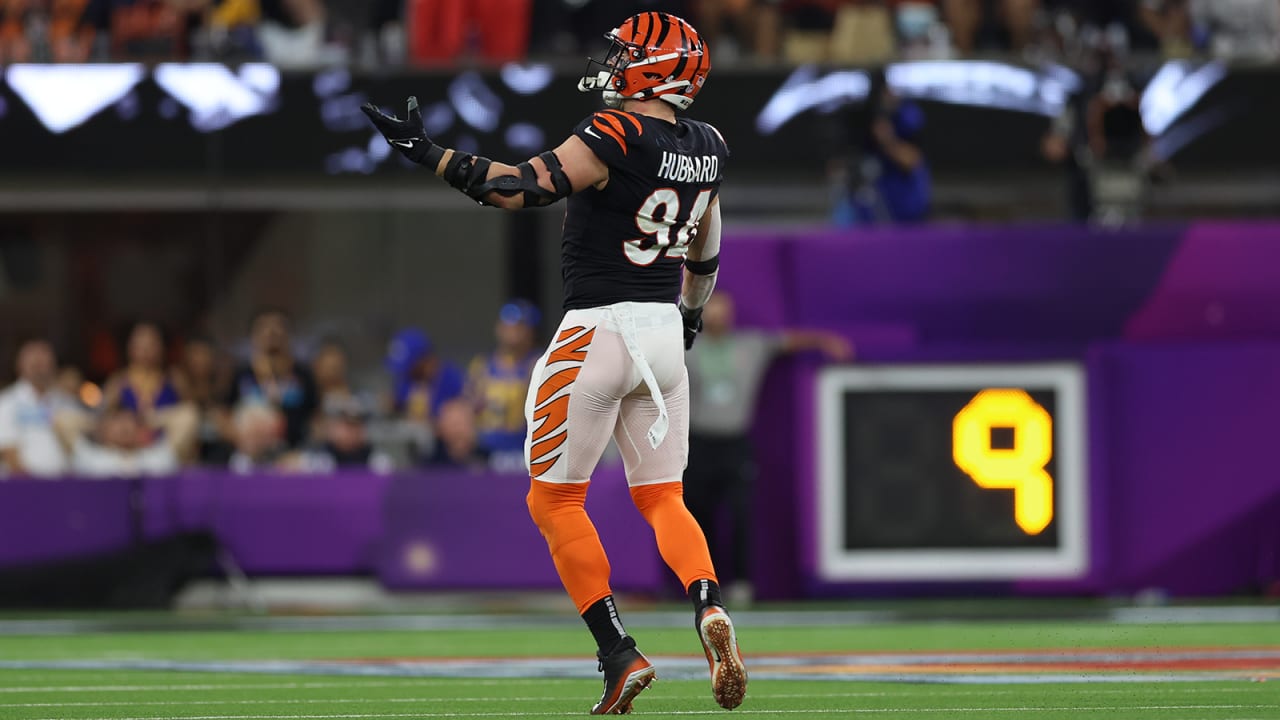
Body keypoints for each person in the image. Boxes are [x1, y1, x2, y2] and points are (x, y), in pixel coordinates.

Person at [363, 11, 745, 714]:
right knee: (663, 496)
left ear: (658, 67)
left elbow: (516, 187)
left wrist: (427, 152)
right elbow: (707, 246)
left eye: (627, 53)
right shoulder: (711, 144)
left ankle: (617, 652)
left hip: (597, 327)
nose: (613, 61)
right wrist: (690, 316)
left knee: (554, 499)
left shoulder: (615, 132)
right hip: (663, 330)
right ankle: (708, 604)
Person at [684, 293, 851, 606]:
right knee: (698, 518)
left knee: (740, 513)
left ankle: (742, 583)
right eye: (713, 312)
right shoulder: (688, 347)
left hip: (735, 444)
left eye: (724, 312)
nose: (719, 318)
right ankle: (704, 585)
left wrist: (826, 340)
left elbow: (789, 340)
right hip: (698, 443)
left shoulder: (751, 345)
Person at [223, 308, 318, 449]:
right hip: (250, 451)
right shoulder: (241, 374)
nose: (271, 332)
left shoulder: (303, 374)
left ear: (288, 335)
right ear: (253, 336)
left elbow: (316, 414)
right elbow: (225, 413)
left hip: (296, 452)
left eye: (278, 327)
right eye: (264, 327)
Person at [466, 300, 541, 471]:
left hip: (522, 448)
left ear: (530, 331)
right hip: (484, 447)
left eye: (519, 326)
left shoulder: (537, 364)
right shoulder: (482, 365)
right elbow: (468, 403)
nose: (511, 331)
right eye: (506, 324)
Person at [0, 340, 76, 477]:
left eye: (44, 364)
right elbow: (8, 451)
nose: (40, 369)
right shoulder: (7, 403)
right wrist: (33, 486)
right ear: (20, 366)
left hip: (64, 484)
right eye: (35, 365)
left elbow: (76, 447)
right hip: (25, 487)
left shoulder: (65, 402)